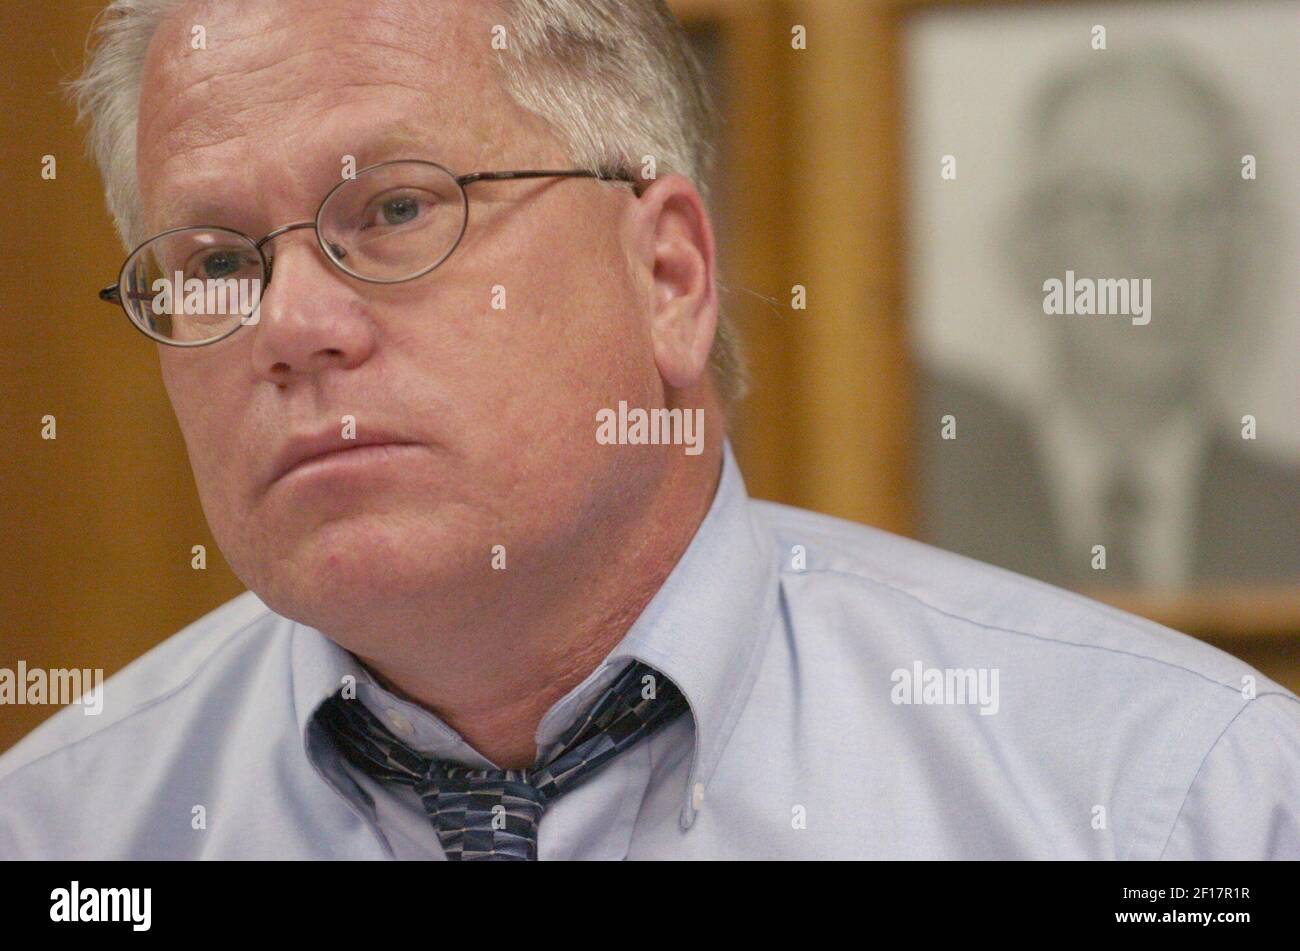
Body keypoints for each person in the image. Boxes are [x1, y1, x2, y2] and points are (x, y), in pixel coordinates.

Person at [1, 0, 1296, 860]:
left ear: (669, 276)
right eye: (218, 259)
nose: (290, 324)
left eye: (396, 212)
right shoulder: (65, 835)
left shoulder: (1169, 800)